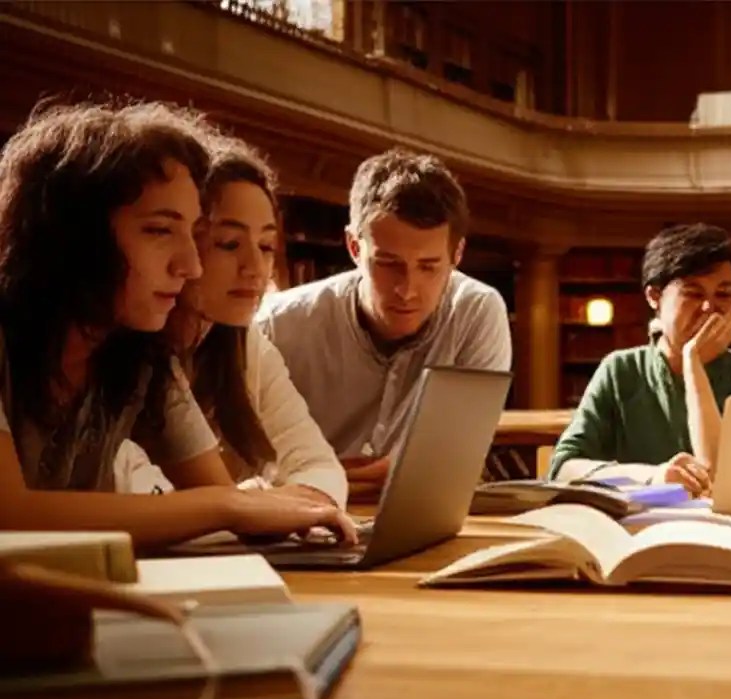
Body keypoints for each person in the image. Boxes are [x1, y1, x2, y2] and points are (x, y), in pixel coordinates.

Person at [0, 101, 353, 549]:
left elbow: (219, 495)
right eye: (160, 231)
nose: (191, 265)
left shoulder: (140, 354)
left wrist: (252, 509)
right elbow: (9, 514)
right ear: (72, 237)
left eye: (193, 233)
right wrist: (228, 506)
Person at [255, 149, 511, 495]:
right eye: (389, 264)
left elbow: (452, 467)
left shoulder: (477, 311)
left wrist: (325, 475)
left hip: (412, 515)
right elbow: (255, 467)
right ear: (354, 247)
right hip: (304, 520)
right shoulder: (277, 326)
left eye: (428, 266)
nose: (407, 290)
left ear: (458, 255)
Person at [117, 137, 347, 508]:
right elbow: (143, 499)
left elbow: (321, 468)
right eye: (228, 243)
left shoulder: (247, 347)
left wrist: (266, 504)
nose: (255, 269)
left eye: (267, 246)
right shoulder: (131, 355)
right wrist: (250, 505)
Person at [548, 223, 731, 494]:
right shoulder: (620, 370)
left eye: (723, 294)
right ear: (654, 296)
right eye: (693, 293)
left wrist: (693, 364)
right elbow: (562, 467)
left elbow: (720, 479)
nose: (709, 308)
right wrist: (650, 477)